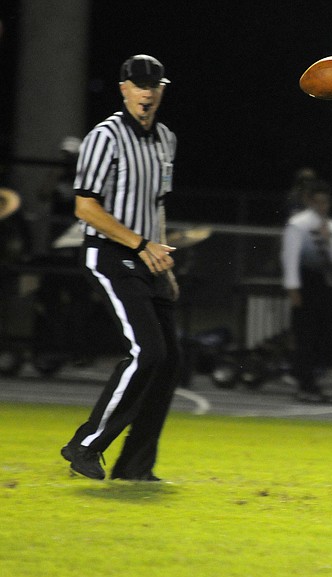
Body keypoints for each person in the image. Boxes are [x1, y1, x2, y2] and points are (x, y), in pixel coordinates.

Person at [60, 55, 179, 481]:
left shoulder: (165, 138)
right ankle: (85, 445)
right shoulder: (105, 136)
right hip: (110, 255)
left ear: (161, 90)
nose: (147, 93)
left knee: (169, 360)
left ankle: (135, 466)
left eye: (153, 85)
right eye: (139, 85)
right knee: (147, 351)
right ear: (124, 89)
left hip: (147, 258)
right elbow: (85, 208)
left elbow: (157, 205)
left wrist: (163, 265)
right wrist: (141, 244)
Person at [281, 180, 332, 402]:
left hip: (323, 285)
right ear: (309, 201)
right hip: (304, 284)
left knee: (321, 335)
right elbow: (290, 258)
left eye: (325, 202)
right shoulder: (298, 225)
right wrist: (292, 288)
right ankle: (304, 384)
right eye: (317, 201)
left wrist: (329, 239)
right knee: (305, 336)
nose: (322, 206)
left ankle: (311, 380)